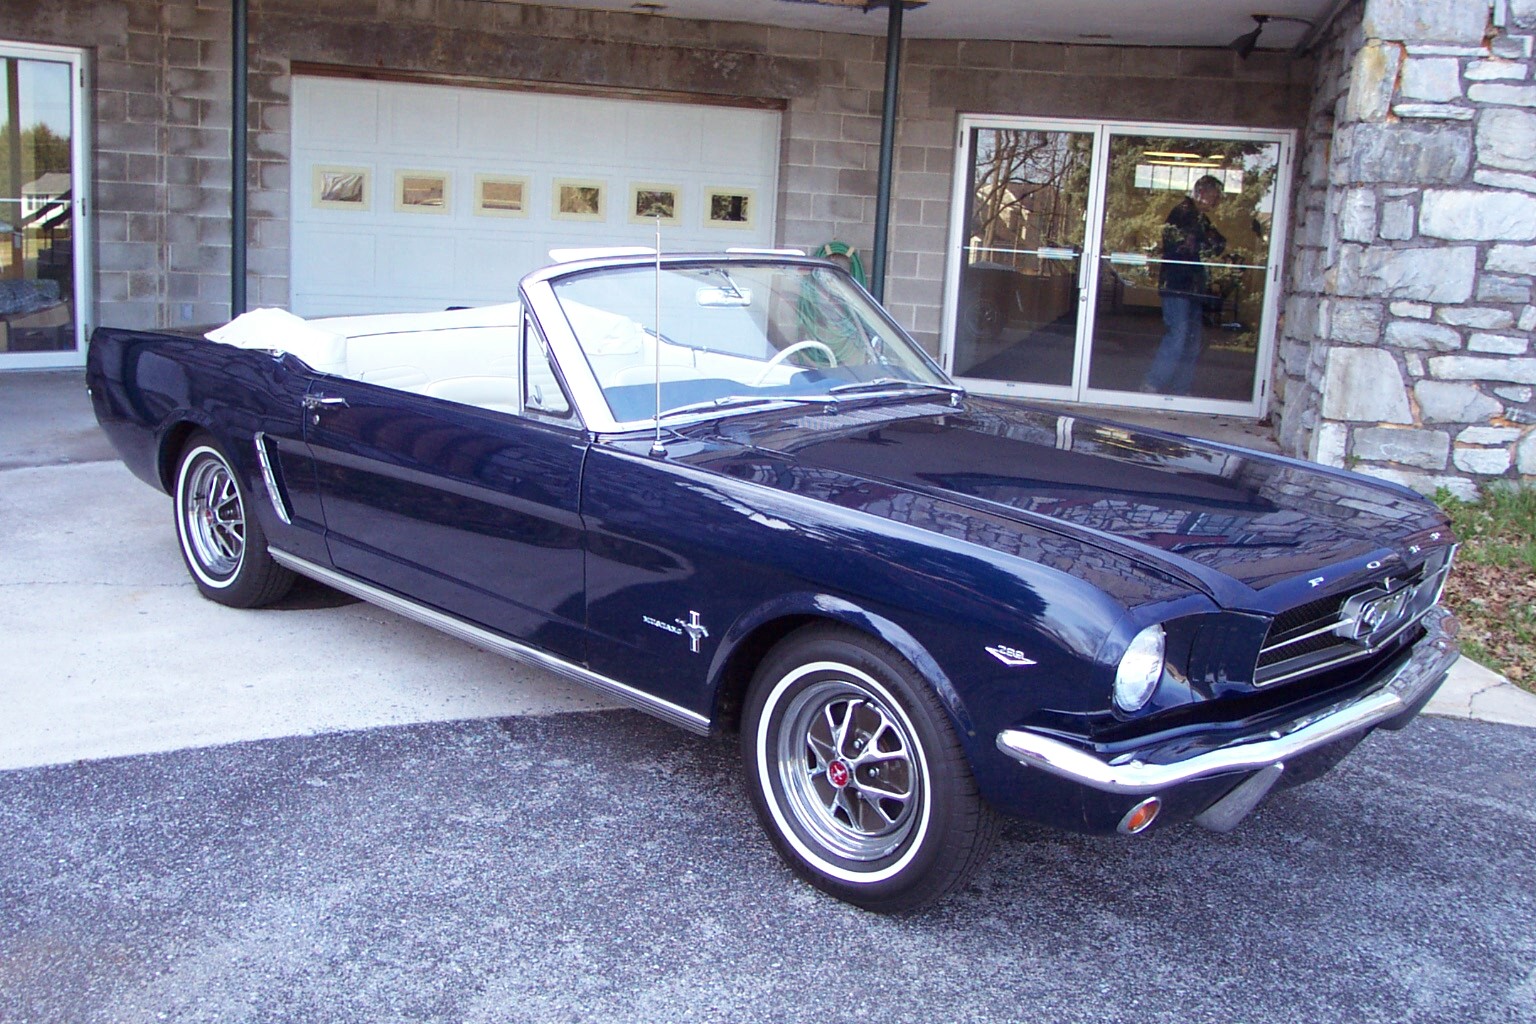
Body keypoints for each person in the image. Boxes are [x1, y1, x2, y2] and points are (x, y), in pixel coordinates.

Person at [1142, 174, 1226, 396]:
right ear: (1201, 192)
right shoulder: (1183, 213)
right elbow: (1187, 246)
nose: (1217, 201)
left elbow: (1218, 244)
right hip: (1177, 284)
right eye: (1215, 195)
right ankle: (1153, 383)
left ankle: (1181, 389)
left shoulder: (1200, 218)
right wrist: (1204, 244)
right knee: (1178, 336)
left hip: (1192, 287)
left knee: (1192, 340)